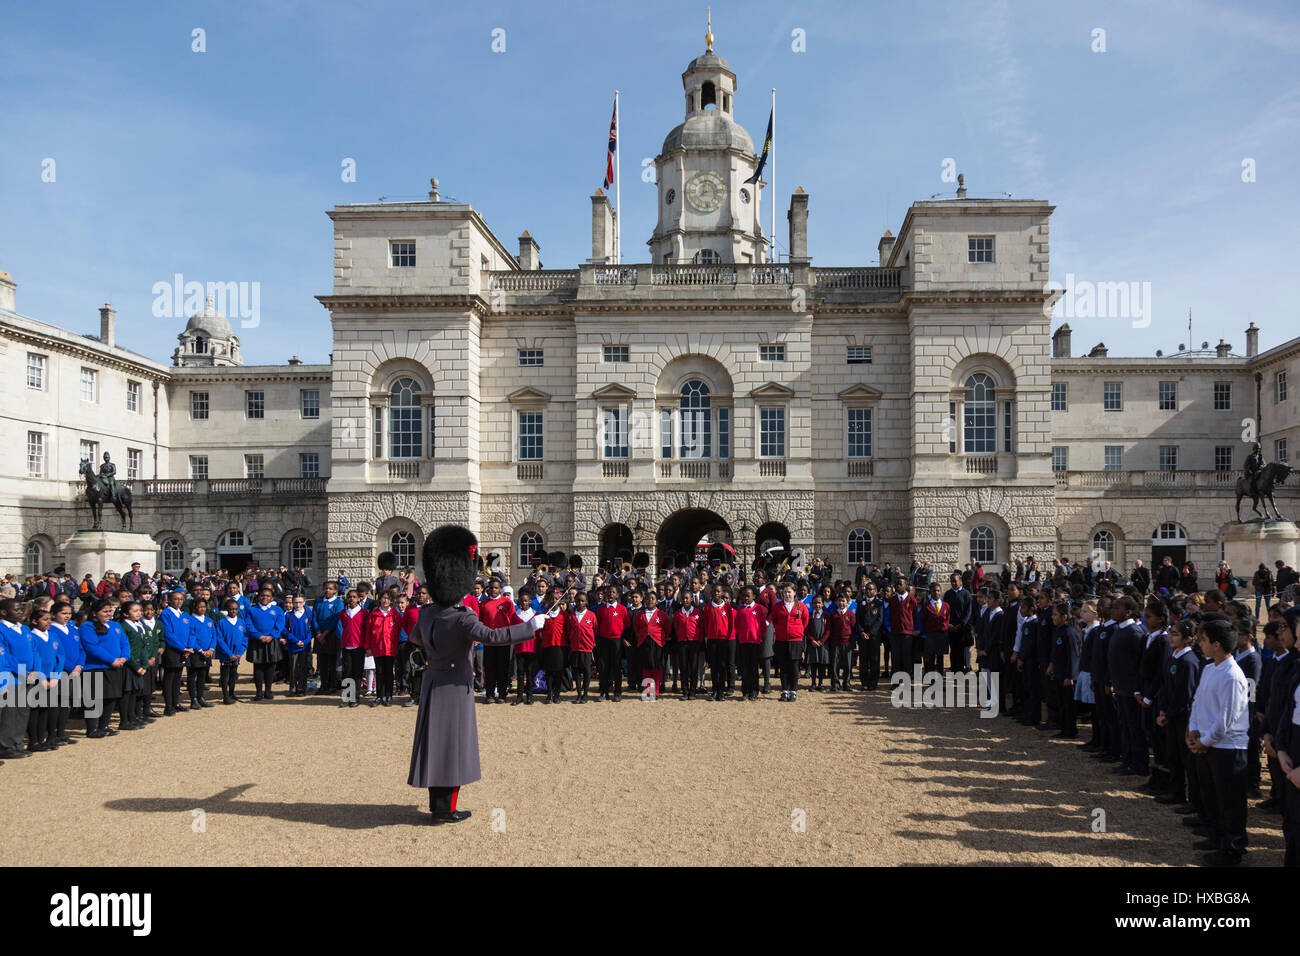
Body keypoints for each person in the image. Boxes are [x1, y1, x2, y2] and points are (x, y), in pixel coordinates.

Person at [407, 525, 546, 824]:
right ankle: (446, 809)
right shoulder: (462, 616)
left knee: (435, 746)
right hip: (456, 686)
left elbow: (416, 638)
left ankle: (437, 806)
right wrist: (531, 627)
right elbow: (493, 636)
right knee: (452, 747)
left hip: (433, 682)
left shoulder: (428, 612)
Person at [1187, 617, 1252, 865]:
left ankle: (1232, 848)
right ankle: (1215, 838)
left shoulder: (1233, 675)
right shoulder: (1209, 668)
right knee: (1209, 796)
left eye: (1203, 640)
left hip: (1226, 748)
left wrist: (1206, 740)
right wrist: (1193, 730)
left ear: (1216, 644)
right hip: (1205, 743)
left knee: (1229, 801)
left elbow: (1227, 717)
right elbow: (1198, 702)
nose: (1200, 644)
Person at [79, 599, 129, 738]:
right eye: (104, 611)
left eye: (110, 611)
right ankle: (91, 728)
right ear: (95, 613)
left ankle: (104, 725)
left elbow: (124, 642)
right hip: (95, 667)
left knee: (111, 697)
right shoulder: (87, 627)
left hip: (115, 666)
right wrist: (111, 660)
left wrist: (124, 658)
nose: (108, 614)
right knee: (93, 699)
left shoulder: (115, 625)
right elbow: (92, 647)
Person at [246, 585, 285, 701]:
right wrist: (259, 636)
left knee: (270, 667)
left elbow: (280, 625)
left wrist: (271, 636)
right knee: (258, 667)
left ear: (272, 598)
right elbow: (248, 625)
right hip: (257, 642)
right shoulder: (252, 610)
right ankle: (258, 692)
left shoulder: (278, 610)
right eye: (262, 595)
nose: (265, 597)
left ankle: (268, 691)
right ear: (258, 597)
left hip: (272, 642)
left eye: (268, 596)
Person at [771, 583, 808, 702]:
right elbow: (775, 620)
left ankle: (793, 691)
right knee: (783, 667)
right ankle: (784, 690)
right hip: (781, 640)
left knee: (794, 667)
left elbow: (805, 621)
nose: (787, 594)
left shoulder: (801, 606)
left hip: (796, 640)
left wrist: (797, 631)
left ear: (794, 593)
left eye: (789, 592)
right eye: (785, 592)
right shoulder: (777, 606)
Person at [159, 589, 192, 716]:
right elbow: (168, 633)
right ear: (169, 600)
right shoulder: (166, 614)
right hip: (172, 650)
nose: (178, 601)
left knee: (178, 677)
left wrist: (189, 647)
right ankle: (168, 706)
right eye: (175, 599)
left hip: (185, 650)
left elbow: (190, 631)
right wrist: (181, 647)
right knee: (169, 677)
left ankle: (175, 703)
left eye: (181, 599)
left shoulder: (184, 615)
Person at [632, 589, 669, 700]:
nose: (650, 600)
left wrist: (660, 637)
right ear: (644, 601)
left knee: (657, 667)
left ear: (657, 601)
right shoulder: (640, 615)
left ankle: (656, 691)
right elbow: (637, 628)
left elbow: (667, 629)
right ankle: (648, 691)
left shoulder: (662, 614)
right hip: (644, 643)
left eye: (652, 598)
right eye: (648, 598)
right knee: (646, 667)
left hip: (657, 643)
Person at [311, 580, 343, 695]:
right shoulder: (318, 601)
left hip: (331, 636)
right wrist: (318, 633)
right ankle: (323, 685)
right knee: (322, 662)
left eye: (330, 589)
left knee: (332, 662)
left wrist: (324, 634)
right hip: (319, 636)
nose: (327, 590)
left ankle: (332, 685)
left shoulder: (338, 603)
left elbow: (335, 619)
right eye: (326, 588)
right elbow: (314, 617)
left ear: (335, 590)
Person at [214, 599, 248, 704]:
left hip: (237, 654)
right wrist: (229, 654)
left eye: (235, 609)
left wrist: (240, 652)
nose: (233, 611)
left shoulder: (241, 622)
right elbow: (220, 639)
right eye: (231, 609)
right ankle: (225, 695)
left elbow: (244, 638)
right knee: (225, 676)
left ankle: (232, 693)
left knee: (233, 674)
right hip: (226, 655)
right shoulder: (222, 622)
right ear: (227, 609)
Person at [187, 597, 216, 710]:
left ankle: (201, 697)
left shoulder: (209, 620)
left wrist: (211, 649)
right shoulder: (190, 620)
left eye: (204, 606)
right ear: (194, 608)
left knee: (202, 676)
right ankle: (193, 699)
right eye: (199, 607)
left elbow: (214, 636)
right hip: (196, 652)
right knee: (192, 676)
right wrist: (200, 650)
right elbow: (191, 637)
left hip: (207, 652)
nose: (202, 609)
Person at [338, 590, 366, 707]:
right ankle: (346, 697)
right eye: (349, 597)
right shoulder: (343, 613)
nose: (352, 599)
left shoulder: (364, 613)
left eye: (354, 597)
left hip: (359, 646)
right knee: (347, 672)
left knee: (357, 672)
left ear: (359, 599)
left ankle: (356, 697)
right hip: (347, 646)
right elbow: (343, 627)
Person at [284, 594, 314, 697]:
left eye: (300, 602)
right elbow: (285, 630)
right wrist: (295, 641)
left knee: (303, 668)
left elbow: (311, 630)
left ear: (304, 603)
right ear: (292, 603)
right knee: (292, 668)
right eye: (295, 602)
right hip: (293, 646)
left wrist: (305, 641)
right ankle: (292, 688)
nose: (298, 604)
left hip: (305, 646)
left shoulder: (308, 614)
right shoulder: (288, 615)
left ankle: (301, 688)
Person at [920, 582, 950, 675]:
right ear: (930, 593)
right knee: (931, 659)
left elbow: (947, 619)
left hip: (942, 636)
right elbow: (924, 621)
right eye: (933, 591)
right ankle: (932, 681)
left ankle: (940, 680)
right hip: (931, 636)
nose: (936, 593)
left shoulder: (946, 605)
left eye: (938, 591)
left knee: (940, 659)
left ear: (941, 592)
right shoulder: (926, 606)